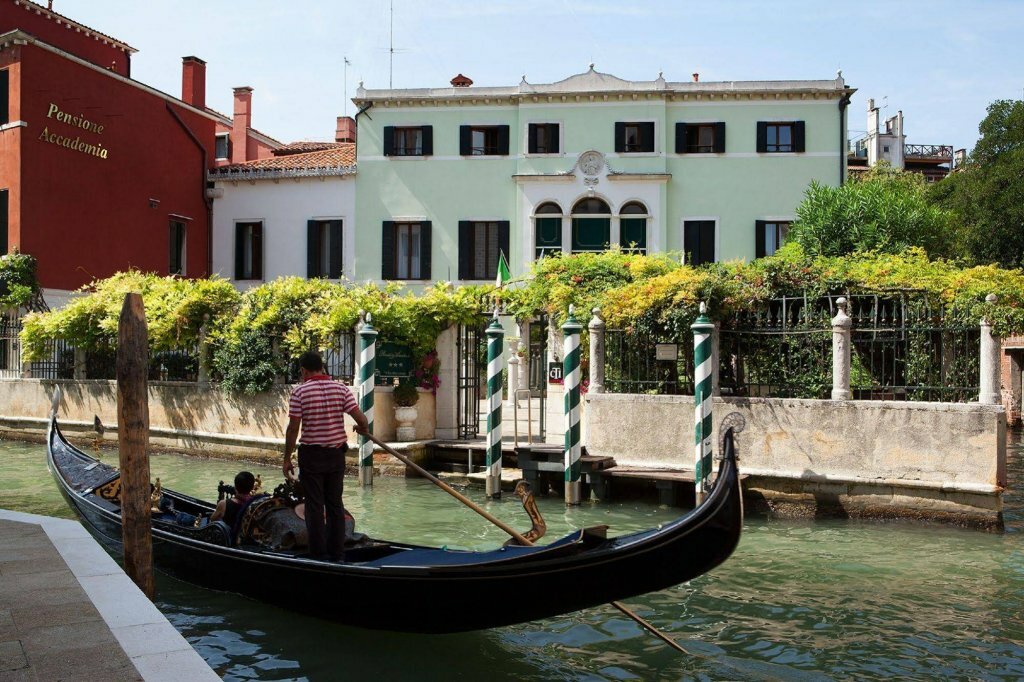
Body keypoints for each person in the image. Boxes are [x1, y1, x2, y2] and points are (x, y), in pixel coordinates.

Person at [283, 351, 369, 562]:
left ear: (303, 370)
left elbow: (293, 428)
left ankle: (319, 554)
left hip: (312, 456)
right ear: (322, 367)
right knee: (335, 504)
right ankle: (337, 553)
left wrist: (286, 459)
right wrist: (361, 427)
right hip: (335, 456)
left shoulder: (300, 392)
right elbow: (361, 419)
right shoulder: (341, 389)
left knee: (314, 506)